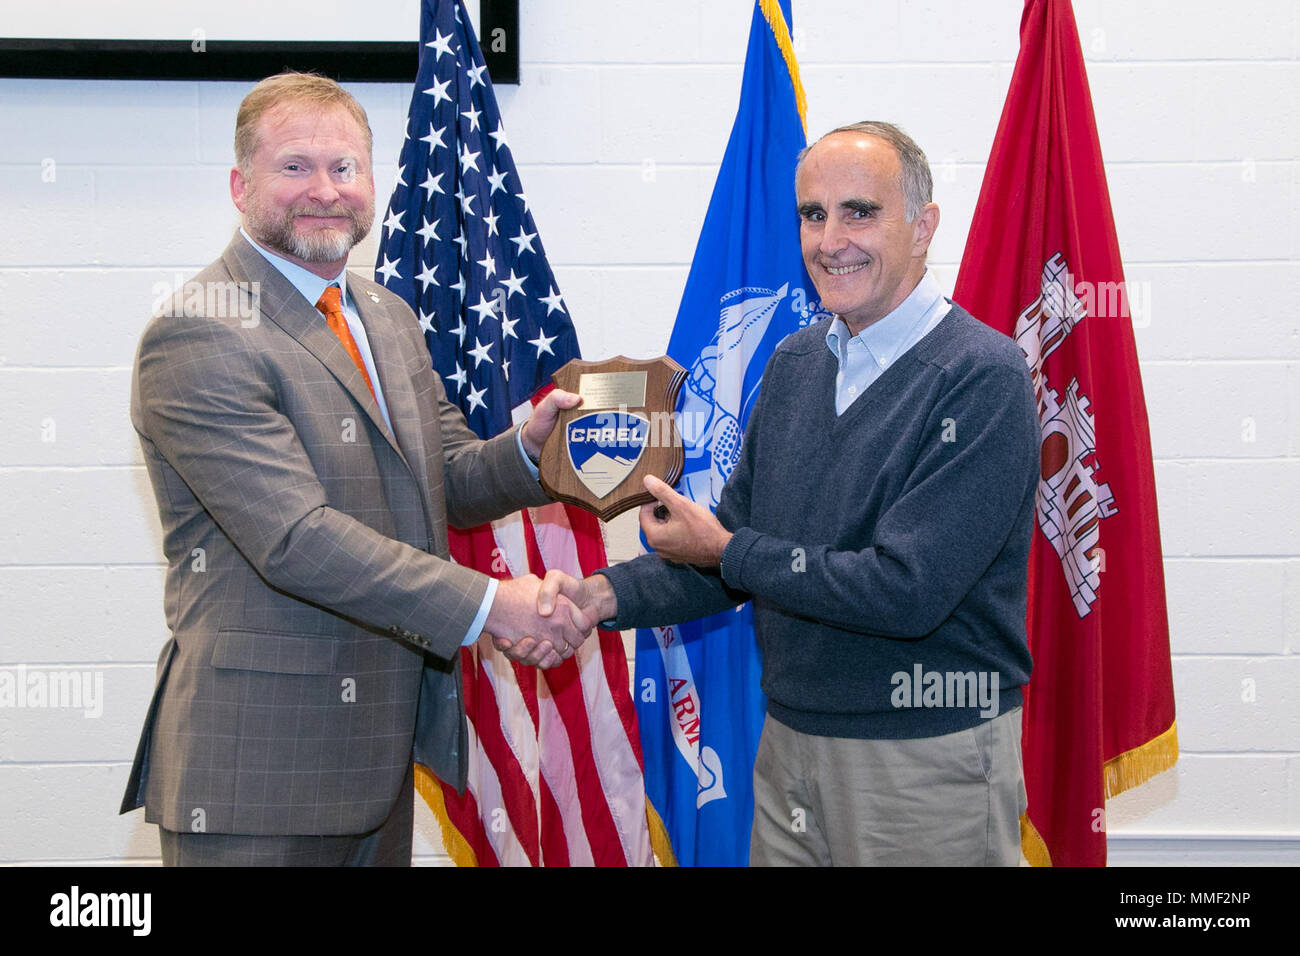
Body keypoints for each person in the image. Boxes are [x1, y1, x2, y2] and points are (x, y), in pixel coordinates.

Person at [120, 72, 589, 866]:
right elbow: (296, 539)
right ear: (239, 186)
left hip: (376, 759)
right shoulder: (201, 330)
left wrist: (530, 449)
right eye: (294, 166)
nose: (325, 190)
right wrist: (490, 606)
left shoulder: (385, 316)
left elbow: (445, 476)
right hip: (257, 775)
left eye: (345, 167)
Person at [540, 122, 1040, 866]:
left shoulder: (982, 376)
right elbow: (729, 553)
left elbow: (905, 590)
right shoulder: (797, 362)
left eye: (859, 212)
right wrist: (597, 597)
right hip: (788, 748)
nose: (830, 240)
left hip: (924, 760)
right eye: (813, 214)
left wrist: (728, 551)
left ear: (923, 226)